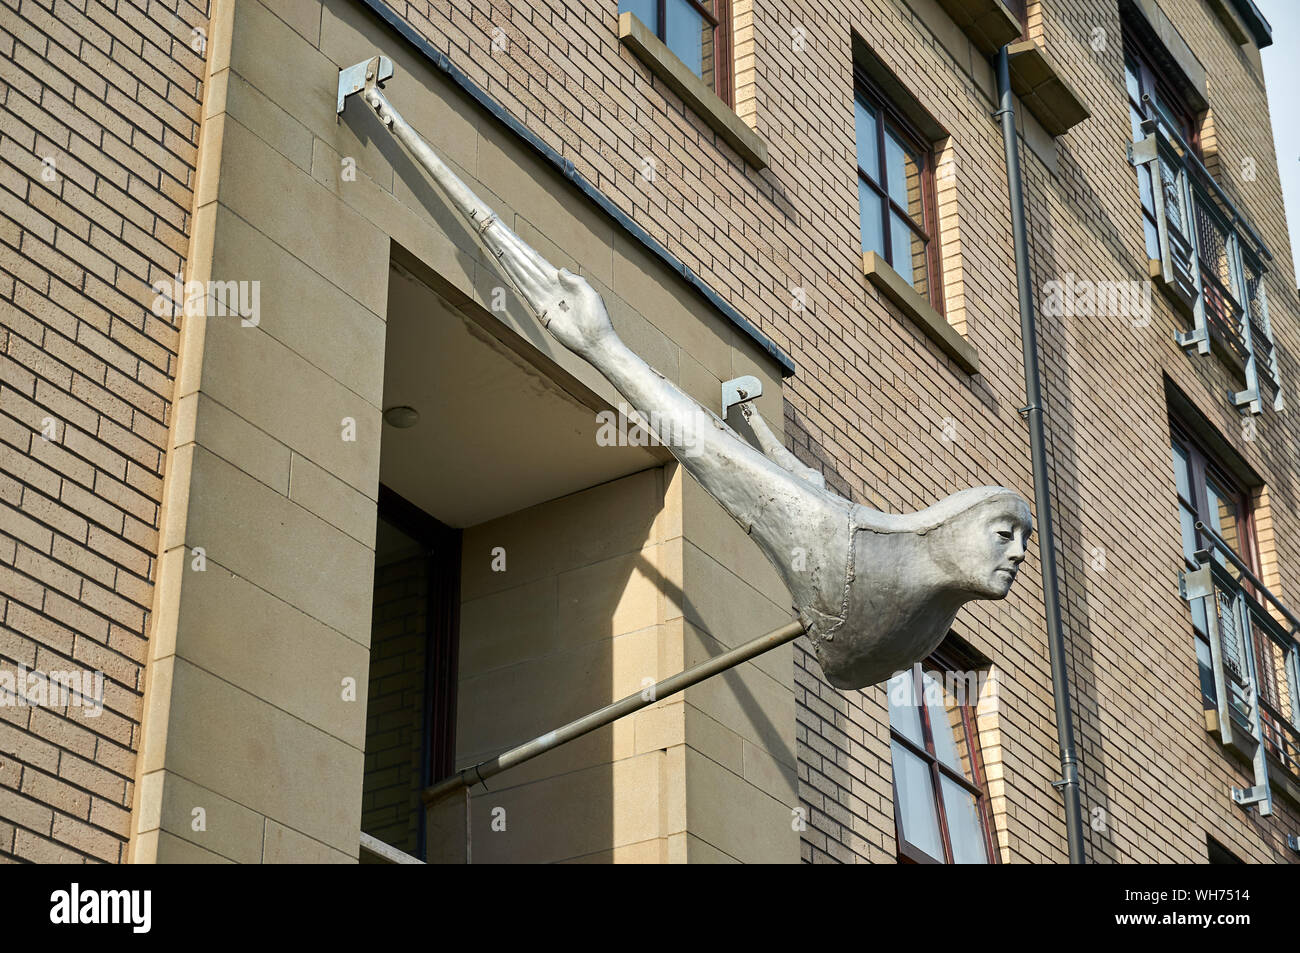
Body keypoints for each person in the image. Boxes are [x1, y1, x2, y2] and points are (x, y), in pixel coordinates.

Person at [365, 83, 1034, 690]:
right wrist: (603, 346)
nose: (1017, 552)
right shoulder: (852, 549)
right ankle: (382, 111)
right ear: (959, 520)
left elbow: (802, 499)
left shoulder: (930, 625)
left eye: (1021, 540)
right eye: (1005, 532)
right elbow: (712, 453)